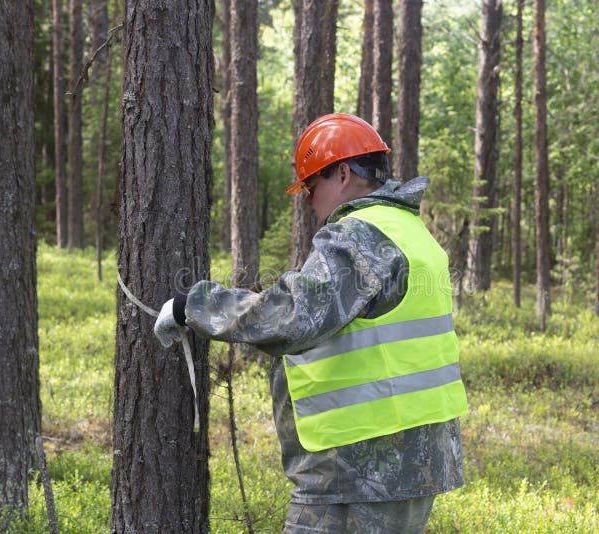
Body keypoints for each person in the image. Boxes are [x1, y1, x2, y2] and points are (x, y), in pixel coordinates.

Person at [155, 113, 468, 533]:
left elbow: (296, 315)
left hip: (359, 467)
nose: (306, 199)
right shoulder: (413, 231)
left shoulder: (360, 234)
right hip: (414, 457)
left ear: (343, 173)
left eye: (310, 185)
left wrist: (195, 307)